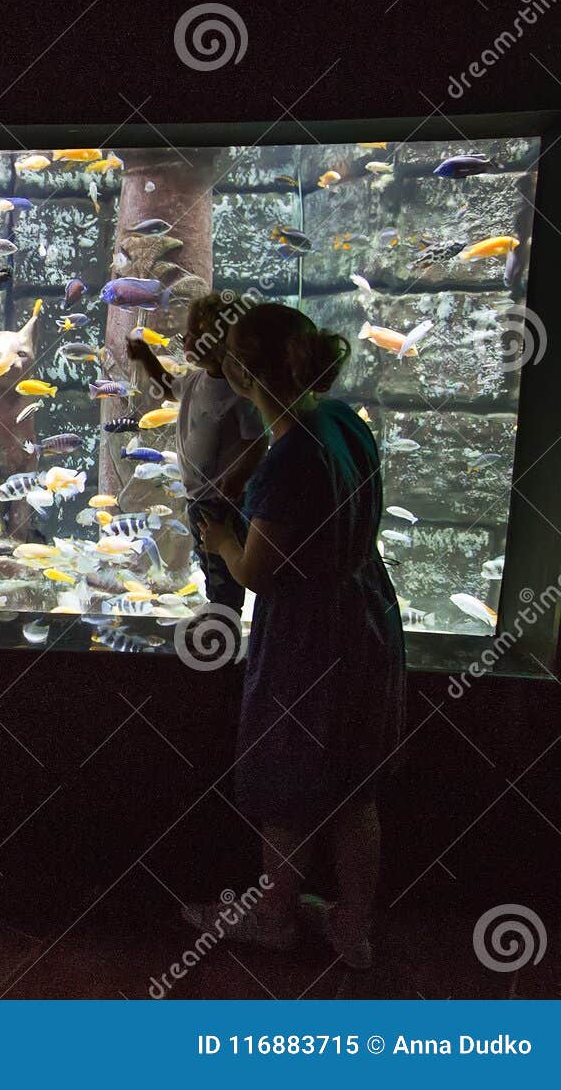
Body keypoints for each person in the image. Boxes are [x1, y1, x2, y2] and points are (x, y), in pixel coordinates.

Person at [189, 302, 405, 970]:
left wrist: (222, 537)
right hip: (366, 615)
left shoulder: (287, 467)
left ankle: (276, 914)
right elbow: (294, 443)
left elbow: (257, 569)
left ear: (237, 372)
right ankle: (354, 924)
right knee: (354, 783)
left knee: (286, 776)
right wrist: (253, 456)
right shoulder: (340, 420)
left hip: (307, 635)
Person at [127, 293, 266, 611]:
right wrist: (145, 356)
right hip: (199, 496)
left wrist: (234, 482)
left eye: (193, 333)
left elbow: (258, 441)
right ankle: (220, 616)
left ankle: (224, 623)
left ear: (217, 341)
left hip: (224, 500)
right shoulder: (195, 380)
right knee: (208, 562)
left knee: (223, 570)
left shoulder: (239, 393)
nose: (185, 338)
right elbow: (165, 386)